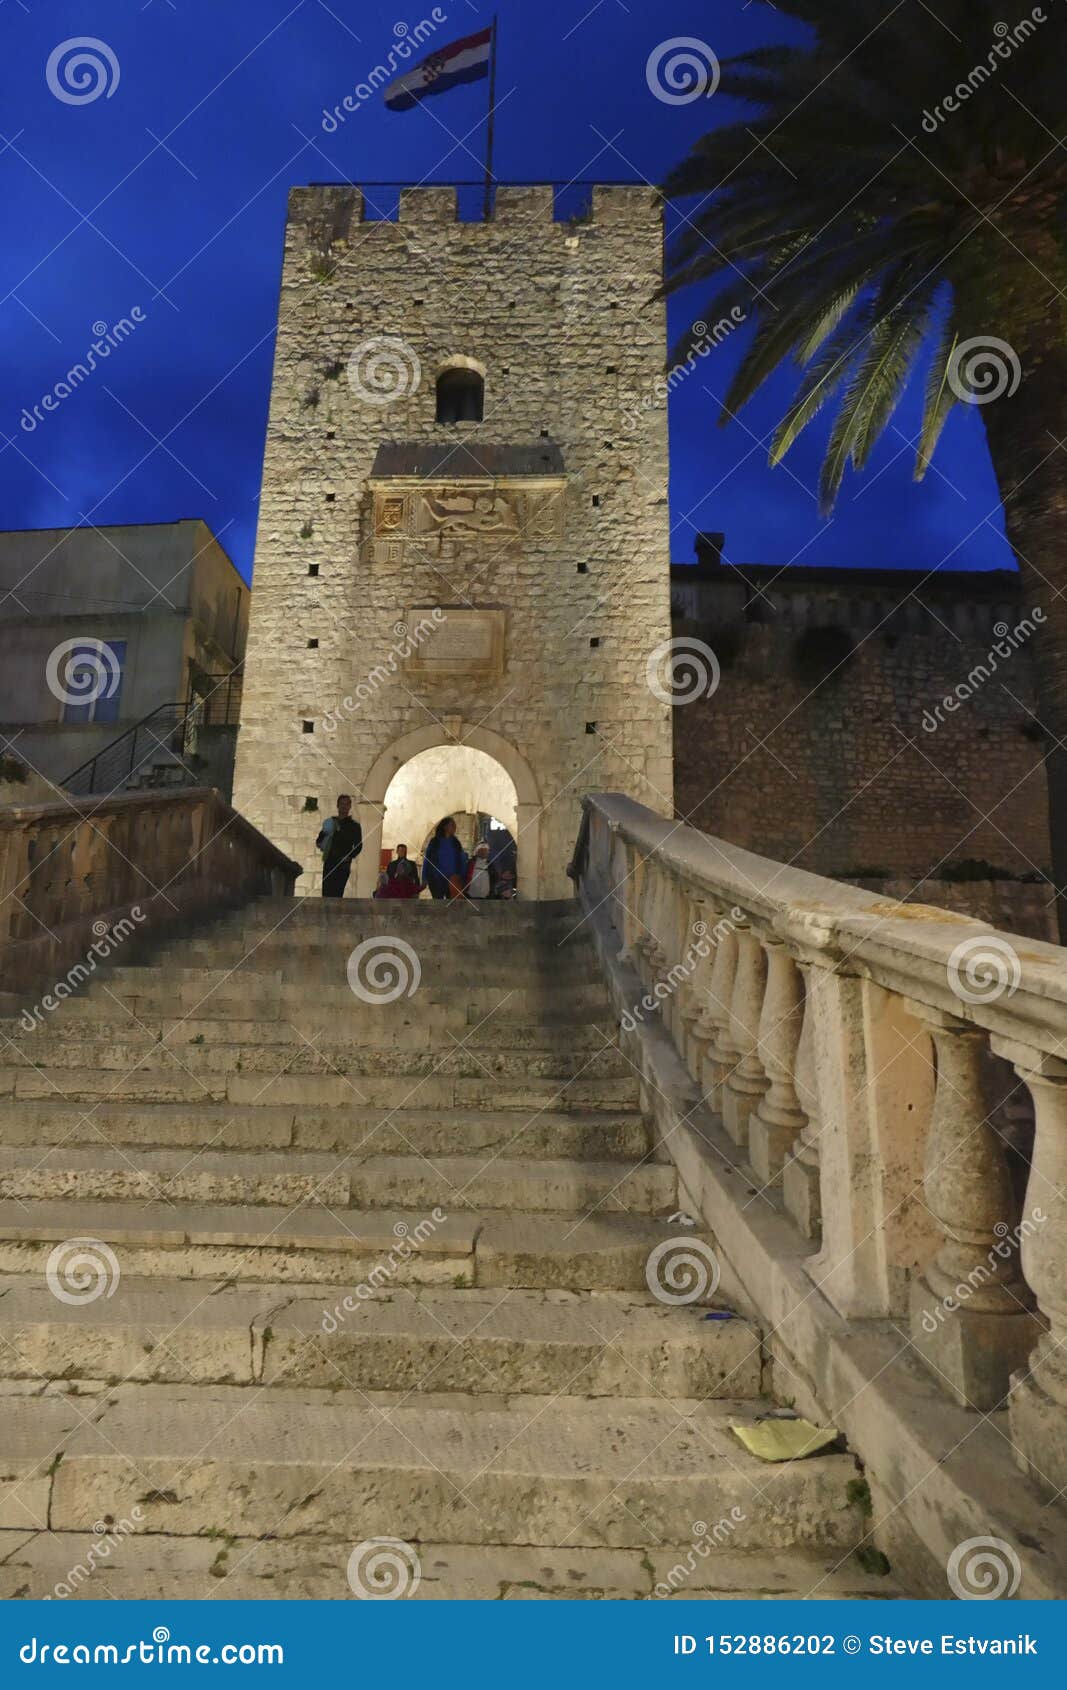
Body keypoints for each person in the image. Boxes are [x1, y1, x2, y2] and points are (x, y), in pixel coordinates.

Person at [316, 795, 362, 898]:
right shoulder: (330, 822)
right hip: (330, 862)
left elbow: (358, 846)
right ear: (337, 805)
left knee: (337, 893)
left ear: (350, 806)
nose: (344, 806)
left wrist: (349, 856)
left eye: (346, 804)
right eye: (342, 804)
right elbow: (319, 841)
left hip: (343, 865)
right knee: (326, 894)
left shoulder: (354, 826)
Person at [421, 816, 467, 901]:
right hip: (436, 878)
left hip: (452, 879)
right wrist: (424, 878)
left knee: (452, 904)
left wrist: (462, 876)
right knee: (438, 904)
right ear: (445, 826)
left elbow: (462, 859)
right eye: (452, 825)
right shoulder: (435, 842)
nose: (455, 827)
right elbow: (427, 859)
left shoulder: (456, 843)